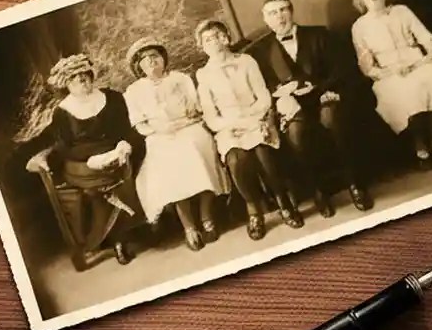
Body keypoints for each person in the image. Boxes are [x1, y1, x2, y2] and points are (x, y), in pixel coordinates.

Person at [245, 0, 373, 217]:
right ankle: (318, 191)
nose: (280, 16)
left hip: (323, 96)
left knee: (332, 119)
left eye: (284, 9)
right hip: (291, 105)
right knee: (295, 133)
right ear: (265, 19)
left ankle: (355, 184)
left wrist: (318, 87)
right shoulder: (259, 51)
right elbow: (263, 85)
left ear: (292, 12)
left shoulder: (319, 34)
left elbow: (341, 68)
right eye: (273, 13)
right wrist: (282, 92)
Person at [32, 53, 146, 269]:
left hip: (117, 153)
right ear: (67, 83)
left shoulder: (112, 98)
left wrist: (124, 145)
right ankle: (117, 239)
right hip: (81, 164)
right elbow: (65, 148)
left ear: (92, 75)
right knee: (105, 181)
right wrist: (94, 159)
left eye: (85, 74)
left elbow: (128, 128)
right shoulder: (63, 112)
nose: (82, 79)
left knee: (119, 176)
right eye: (75, 77)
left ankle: (121, 235)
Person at [192, 18, 303, 239]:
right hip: (229, 128)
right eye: (207, 40)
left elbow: (263, 96)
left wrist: (255, 119)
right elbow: (211, 115)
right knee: (236, 160)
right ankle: (254, 210)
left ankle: (283, 202)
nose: (213, 42)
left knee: (263, 154)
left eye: (216, 36)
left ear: (225, 38)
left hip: (256, 118)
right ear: (202, 47)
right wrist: (230, 126)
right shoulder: (203, 75)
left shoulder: (246, 61)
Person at [123, 37, 230, 252]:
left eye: (155, 57)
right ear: (139, 66)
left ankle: (207, 217)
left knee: (198, 151)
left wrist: (189, 117)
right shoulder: (133, 91)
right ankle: (189, 226)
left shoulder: (181, 79)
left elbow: (198, 109)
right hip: (159, 135)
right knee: (170, 165)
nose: (152, 62)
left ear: (163, 59)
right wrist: (159, 129)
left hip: (189, 127)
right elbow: (139, 124)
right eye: (145, 60)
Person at [349, 0, 432, 169]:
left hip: (417, 62)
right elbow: (366, 65)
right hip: (389, 71)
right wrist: (389, 71)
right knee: (401, 92)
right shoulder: (359, 26)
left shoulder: (402, 11)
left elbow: (426, 37)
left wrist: (424, 59)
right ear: (361, 0)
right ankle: (419, 146)